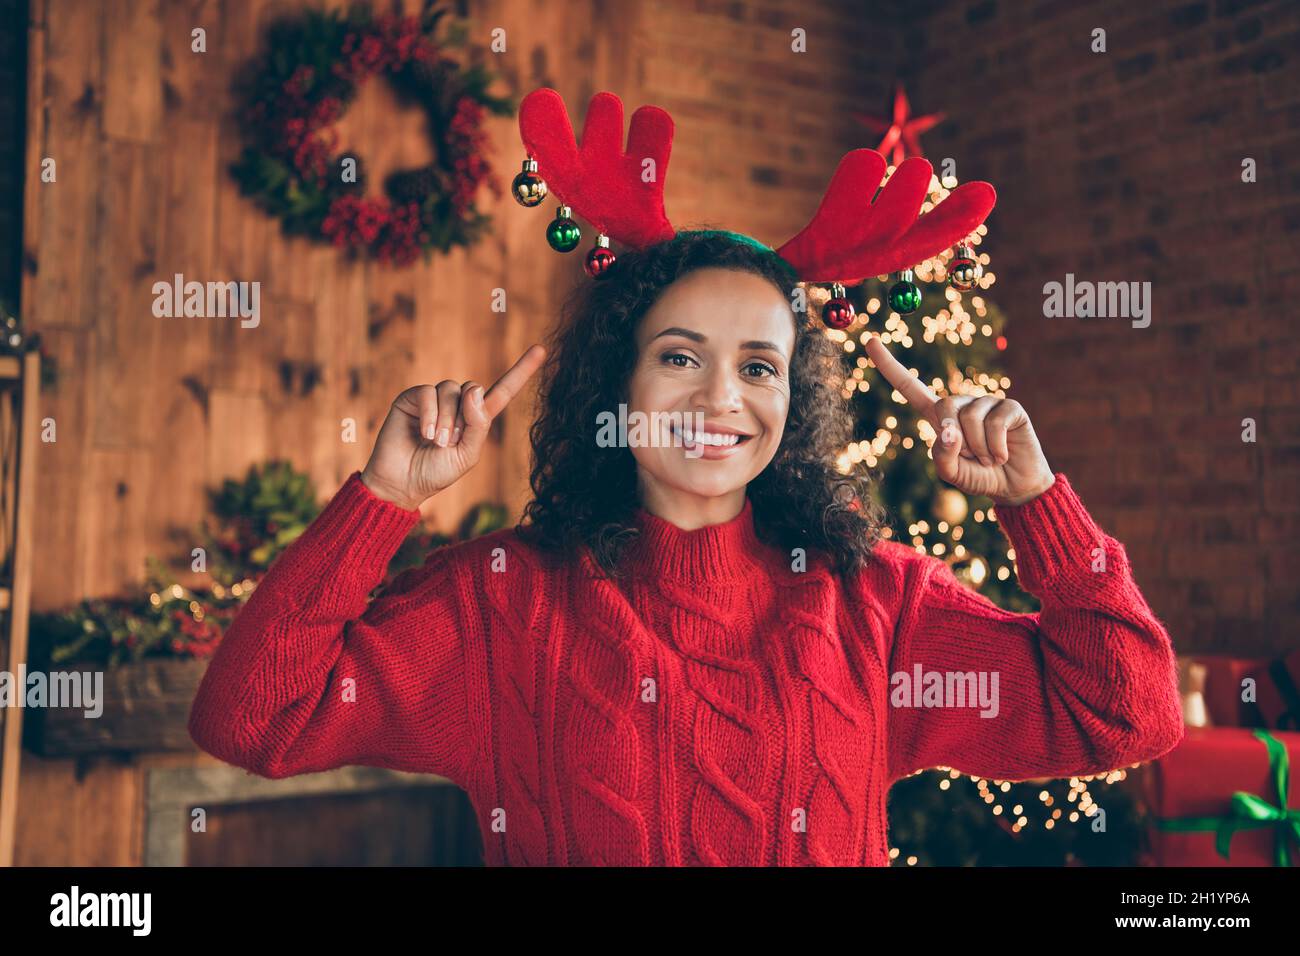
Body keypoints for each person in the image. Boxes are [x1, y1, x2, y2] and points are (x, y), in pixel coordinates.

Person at [188, 231, 1184, 866]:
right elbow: (251, 718)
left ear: (790, 403)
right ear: (617, 386)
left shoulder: (877, 606)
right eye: (678, 357)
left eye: (758, 365)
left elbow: (1127, 710)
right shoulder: (502, 603)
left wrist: (1037, 503)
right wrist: (382, 498)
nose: (719, 398)